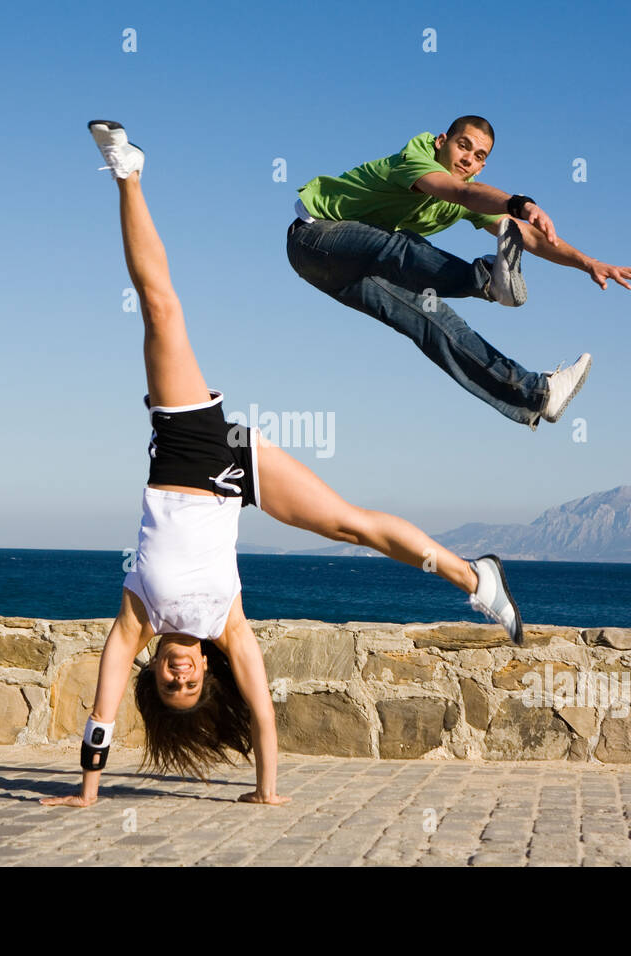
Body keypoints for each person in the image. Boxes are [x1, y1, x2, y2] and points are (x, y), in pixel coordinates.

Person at [41, 121, 525, 808]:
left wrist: (88, 793)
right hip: (234, 470)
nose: (180, 677)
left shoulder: (137, 618)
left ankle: (128, 173)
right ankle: (476, 578)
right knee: (352, 526)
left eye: (168, 683)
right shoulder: (224, 625)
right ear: (205, 675)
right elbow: (264, 716)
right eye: (192, 685)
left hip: (185, 448)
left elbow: (102, 706)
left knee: (159, 309)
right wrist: (266, 794)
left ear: (155, 674)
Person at [287, 115, 631, 429]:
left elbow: (528, 236)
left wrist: (588, 263)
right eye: (463, 146)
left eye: (478, 157)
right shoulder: (415, 159)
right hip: (314, 238)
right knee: (399, 246)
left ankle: (536, 394)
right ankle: (488, 280)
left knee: (436, 324)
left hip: (349, 272)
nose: (468, 159)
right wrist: (520, 203)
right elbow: (457, 192)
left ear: (481, 168)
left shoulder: (470, 193)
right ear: (442, 142)